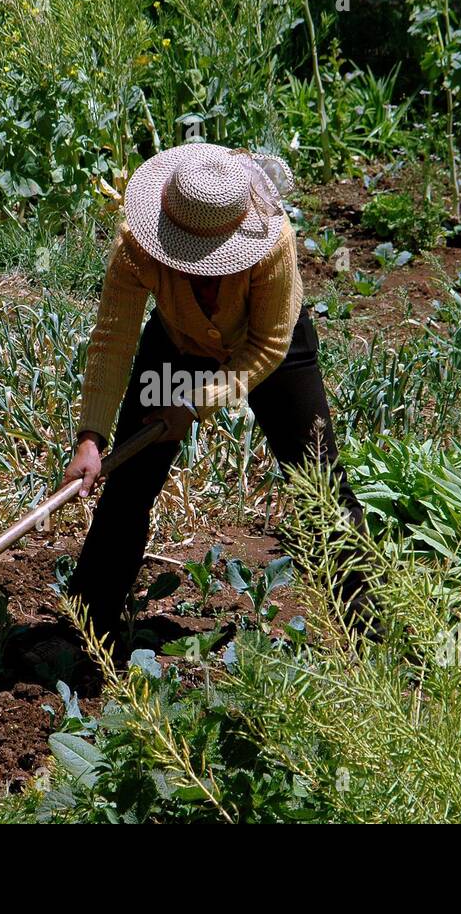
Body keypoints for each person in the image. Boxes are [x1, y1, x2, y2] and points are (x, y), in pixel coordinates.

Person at [61, 143, 365, 644]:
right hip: (177, 345)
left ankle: (367, 634)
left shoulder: (272, 242)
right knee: (129, 485)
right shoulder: (137, 244)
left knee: (321, 487)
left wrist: (196, 402)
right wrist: (90, 438)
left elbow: (268, 346)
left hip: (272, 347)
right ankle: (85, 631)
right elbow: (113, 338)